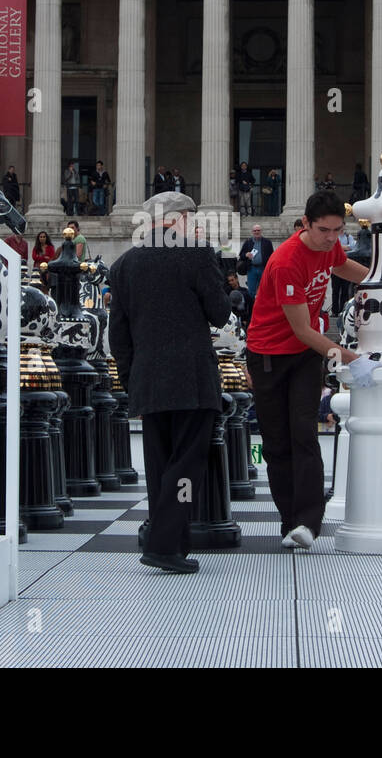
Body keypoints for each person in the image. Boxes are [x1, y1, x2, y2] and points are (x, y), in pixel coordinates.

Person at [108, 192, 233, 574]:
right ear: (178, 219)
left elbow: (119, 334)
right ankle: (164, 545)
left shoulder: (124, 264)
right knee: (186, 466)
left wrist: (131, 379)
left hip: (148, 378)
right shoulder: (196, 254)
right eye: (192, 220)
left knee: (160, 464)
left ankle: (172, 542)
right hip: (192, 378)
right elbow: (220, 312)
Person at [244, 191, 372, 550]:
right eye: (323, 230)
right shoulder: (286, 262)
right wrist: (351, 358)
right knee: (277, 442)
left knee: (304, 431)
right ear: (305, 224)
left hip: (304, 354)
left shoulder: (329, 246)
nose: (331, 238)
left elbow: (342, 264)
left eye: (337, 230)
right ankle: (290, 519)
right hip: (269, 355)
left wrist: (378, 281)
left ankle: (309, 521)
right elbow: (302, 328)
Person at [238, 224, 274, 299]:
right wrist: (246, 255)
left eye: (258, 230)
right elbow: (241, 255)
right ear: (252, 232)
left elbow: (272, 256)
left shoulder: (267, 242)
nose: (256, 232)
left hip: (263, 269)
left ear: (261, 231)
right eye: (255, 231)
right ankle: (252, 308)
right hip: (251, 269)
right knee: (251, 291)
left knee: (264, 289)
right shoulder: (248, 242)